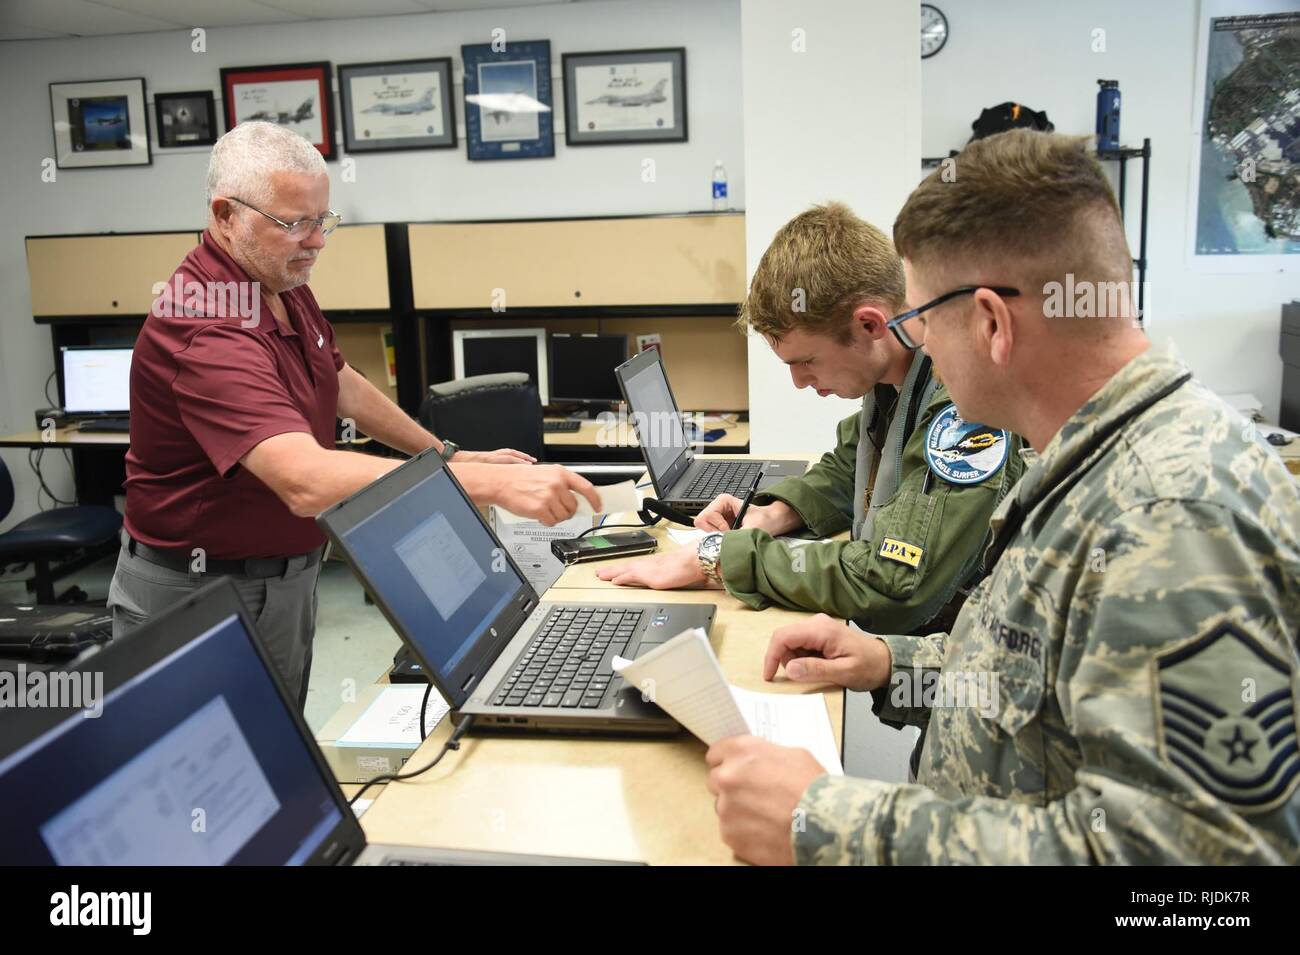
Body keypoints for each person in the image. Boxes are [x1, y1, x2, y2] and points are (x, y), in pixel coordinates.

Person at [706, 129, 1300, 864]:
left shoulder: (1172, 518)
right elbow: (1028, 680)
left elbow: (1192, 880)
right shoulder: (1084, 468)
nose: (915, 342)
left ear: (990, 321)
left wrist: (832, 823)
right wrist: (890, 662)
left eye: (921, 316)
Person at [107, 121, 599, 706]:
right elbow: (304, 479)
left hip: (284, 574)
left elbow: (339, 381)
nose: (317, 241)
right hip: (198, 588)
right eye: (296, 224)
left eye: (324, 220)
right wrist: (484, 481)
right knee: (205, 781)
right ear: (225, 215)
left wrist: (445, 455)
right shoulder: (204, 322)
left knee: (280, 752)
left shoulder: (279, 280)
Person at [597, 203, 1023, 638]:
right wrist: (774, 513)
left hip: (948, 683)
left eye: (806, 360)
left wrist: (721, 557)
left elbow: (894, 585)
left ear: (869, 325)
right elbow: (849, 469)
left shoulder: (964, 406)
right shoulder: (894, 381)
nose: (800, 381)